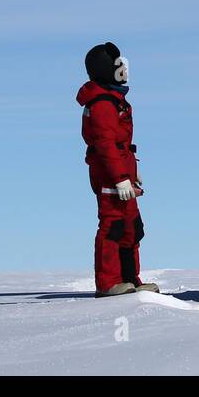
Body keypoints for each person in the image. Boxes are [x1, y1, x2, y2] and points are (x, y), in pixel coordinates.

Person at [76, 41, 159, 297]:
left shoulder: (115, 100)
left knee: (132, 226)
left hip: (123, 174)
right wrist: (120, 178)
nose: (123, 69)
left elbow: (121, 146)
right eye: (118, 65)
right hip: (110, 177)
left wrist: (132, 172)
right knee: (113, 226)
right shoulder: (102, 104)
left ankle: (129, 278)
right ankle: (108, 282)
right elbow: (105, 144)